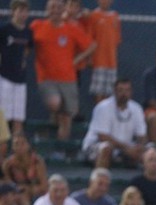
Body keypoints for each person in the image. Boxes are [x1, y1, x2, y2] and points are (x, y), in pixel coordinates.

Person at [30, 0, 95, 141]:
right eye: (52, 7)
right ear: (47, 10)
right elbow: (25, 41)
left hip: (68, 79)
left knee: (65, 119)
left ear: (63, 10)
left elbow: (90, 46)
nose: (55, 10)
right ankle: (45, 138)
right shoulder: (37, 26)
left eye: (58, 7)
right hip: (47, 79)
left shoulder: (71, 29)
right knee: (55, 103)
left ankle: (57, 149)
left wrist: (77, 60)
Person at [82, 78, 146, 169]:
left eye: (127, 90)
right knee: (106, 148)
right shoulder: (103, 107)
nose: (124, 94)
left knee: (150, 151)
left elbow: (142, 135)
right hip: (96, 146)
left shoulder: (137, 108)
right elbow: (102, 137)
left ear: (131, 92)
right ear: (114, 91)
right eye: (120, 90)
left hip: (124, 148)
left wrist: (139, 147)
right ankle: (100, 179)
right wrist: (127, 148)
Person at [0, 0, 33, 139]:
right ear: (13, 11)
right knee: (4, 117)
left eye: (25, 11)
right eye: (20, 10)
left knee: (18, 117)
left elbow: (27, 48)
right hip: (5, 78)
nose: (23, 14)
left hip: (20, 80)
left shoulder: (28, 32)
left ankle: (15, 149)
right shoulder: (5, 29)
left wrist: (23, 61)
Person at [84, 0, 121, 103]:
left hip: (112, 62)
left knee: (110, 92)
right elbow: (89, 38)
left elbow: (117, 40)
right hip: (99, 60)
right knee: (98, 92)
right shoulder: (93, 16)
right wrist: (90, 58)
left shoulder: (115, 16)